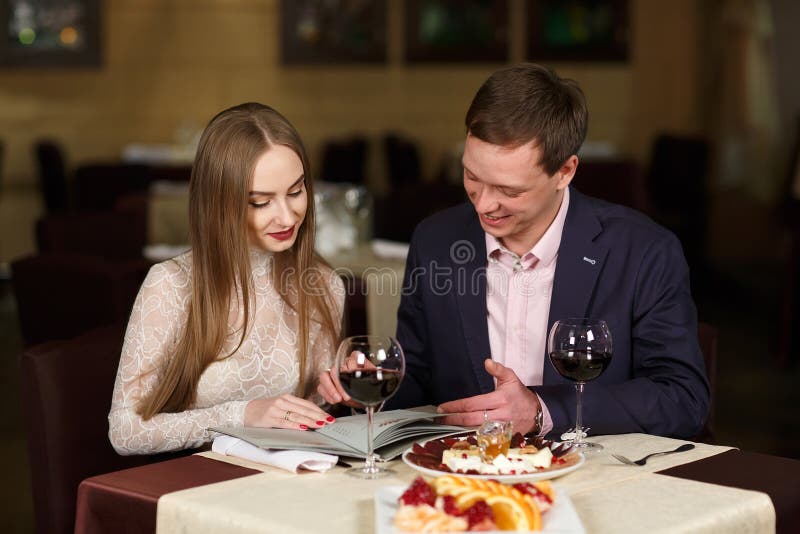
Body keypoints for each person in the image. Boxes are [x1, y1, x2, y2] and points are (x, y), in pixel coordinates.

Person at [318, 63, 709, 440]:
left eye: (510, 191)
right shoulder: (435, 241)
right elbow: (418, 379)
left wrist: (541, 409)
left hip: (596, 479)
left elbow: (683, 398)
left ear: (565, 172)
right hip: (465, 478)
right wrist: (369, 387)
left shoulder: (643, 251)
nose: (484, 205)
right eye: (471, 176)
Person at [109, 103, 344, 455]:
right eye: (261, 202)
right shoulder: (172, 285)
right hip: (196, 487)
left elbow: (309, 415)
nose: (286, 215)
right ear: (221, 204)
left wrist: (336, 391)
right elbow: (126, 432)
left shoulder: (324, 284)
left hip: (285, 483)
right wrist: (242, 414)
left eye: (295, 192)